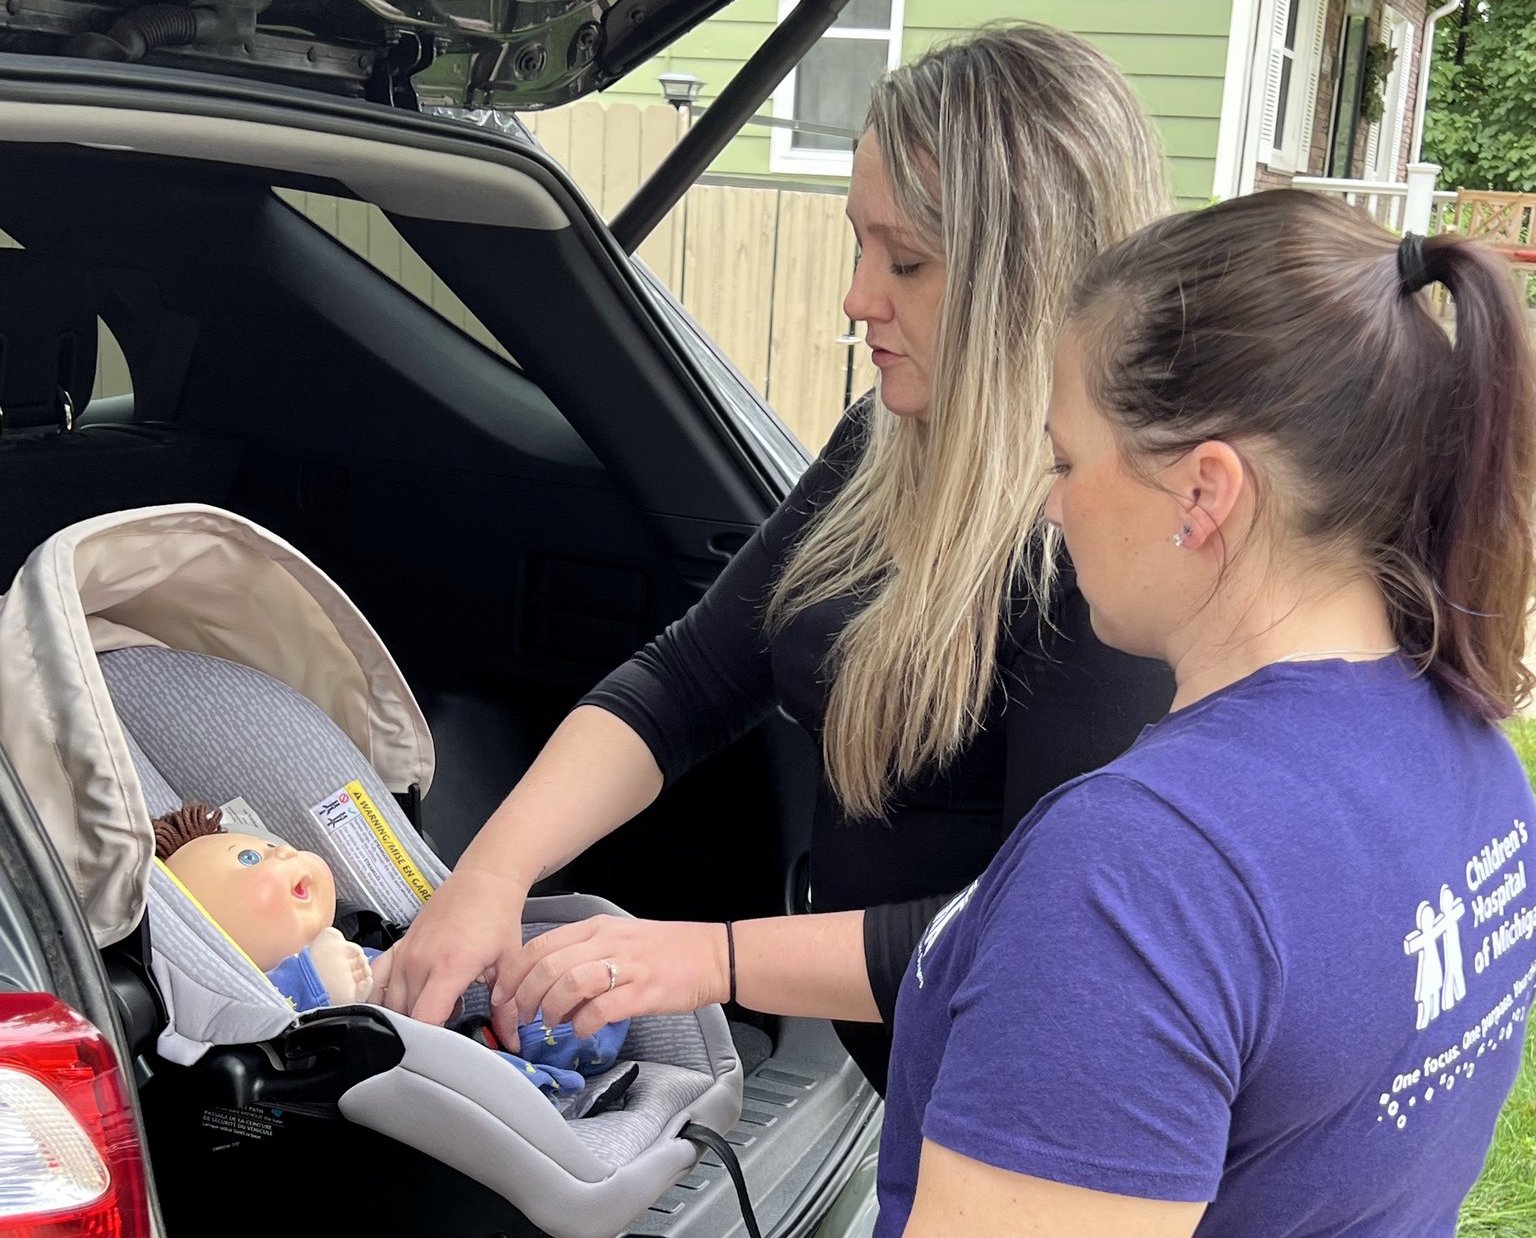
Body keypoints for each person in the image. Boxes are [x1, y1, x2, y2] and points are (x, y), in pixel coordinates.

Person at [372, 22, 1176, 1094]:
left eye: (907, 261)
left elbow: (1029, 929)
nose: (856, 298)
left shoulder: (1100, 557)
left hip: (1009, 1120)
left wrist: (705, 957)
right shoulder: (884, 448)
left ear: (1027, 276)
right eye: (860, 243)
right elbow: (685, 682)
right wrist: (491, 875)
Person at [875, 191, 1536, 1235]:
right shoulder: (1476, 756)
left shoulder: (1138, 873)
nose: (1053, 504)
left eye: (1065, 459)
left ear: (1203, 492)